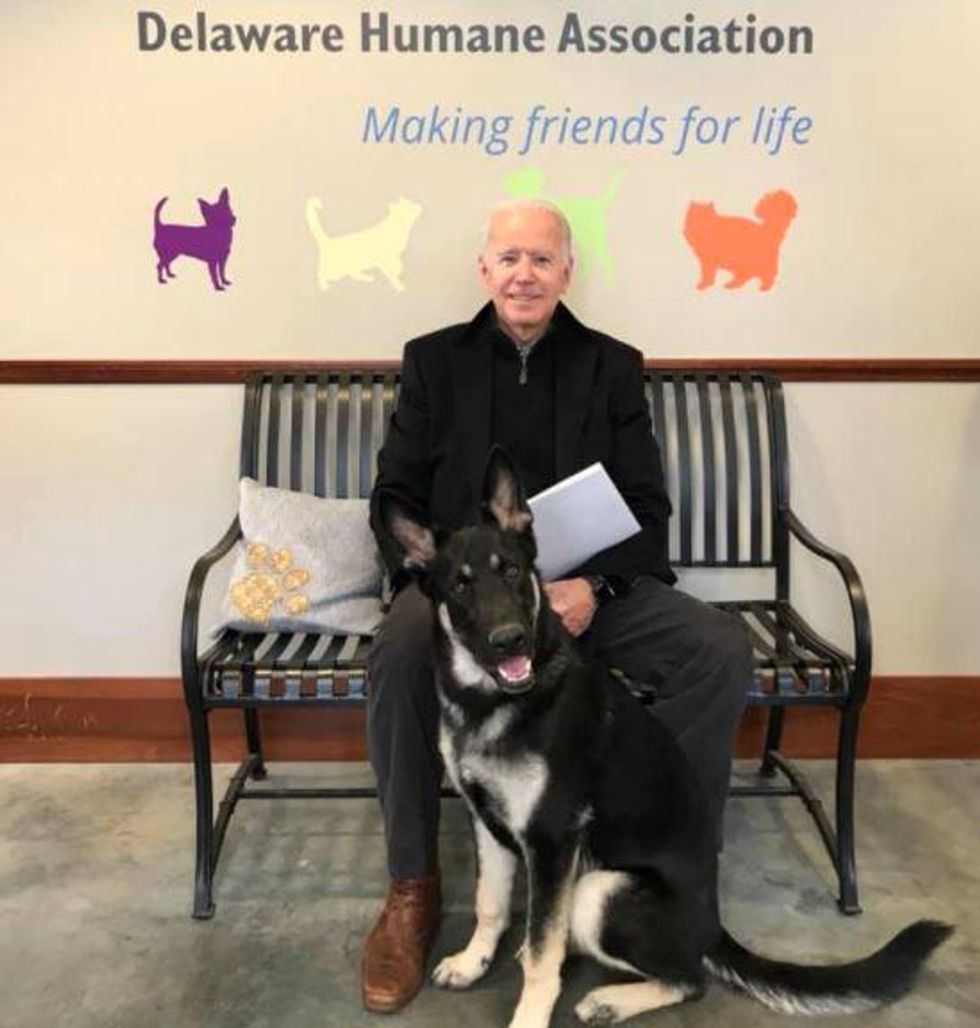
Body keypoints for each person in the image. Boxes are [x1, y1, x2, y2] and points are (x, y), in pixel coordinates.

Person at [362, 198, 752, 1013]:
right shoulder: (433, 362)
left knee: (716, 648)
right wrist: (433, 580)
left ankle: (669, 870)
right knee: (399, 649)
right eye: (509, 258)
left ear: (567, 271)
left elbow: (647, 508)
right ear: (484, 269)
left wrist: (594, 588)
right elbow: (395, 491)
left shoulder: (612, 366)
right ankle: (411, 887)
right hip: (470, 590)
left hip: (589, 585)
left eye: (542, 259)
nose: (524, 275)